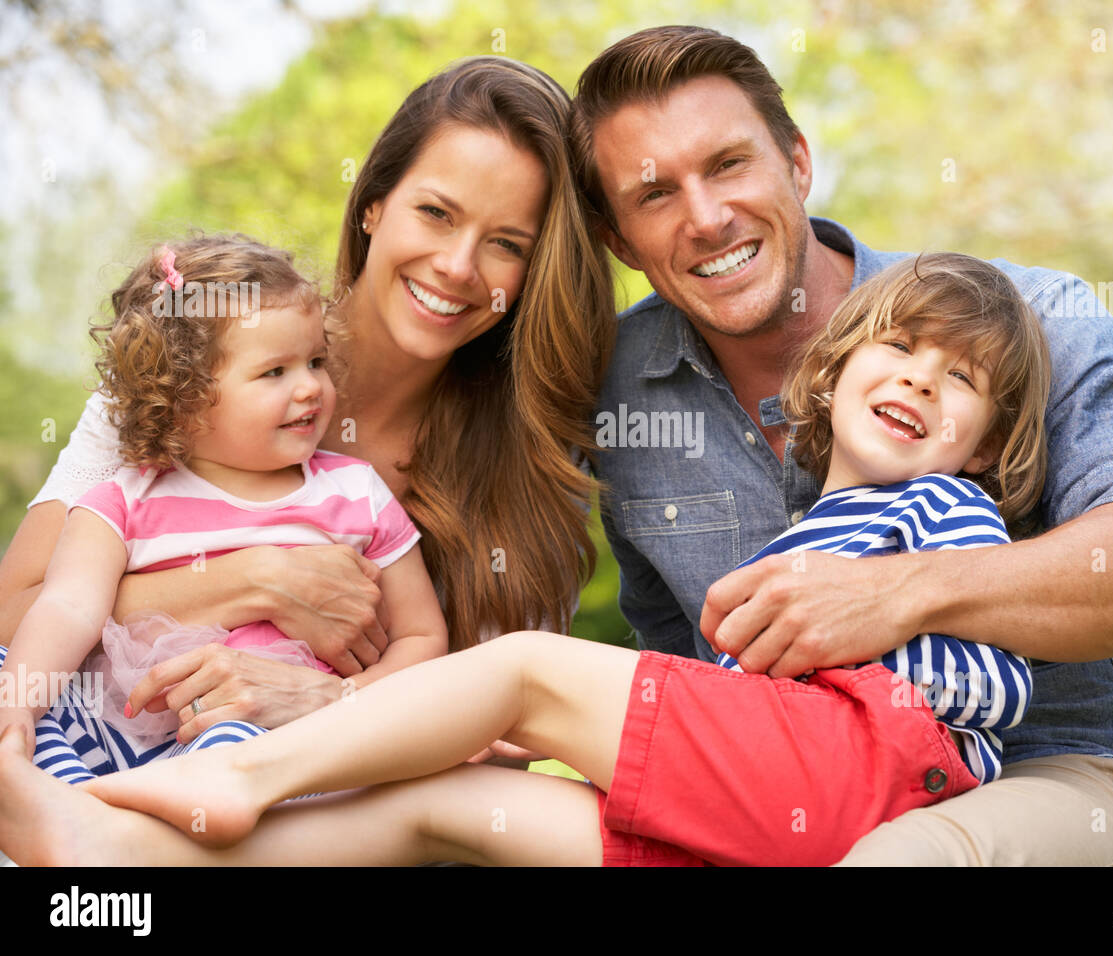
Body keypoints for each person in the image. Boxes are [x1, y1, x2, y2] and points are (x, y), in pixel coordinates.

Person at [0, 249, 1050, 867]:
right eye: (900, 351)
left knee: (521, 670)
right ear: (836, 369)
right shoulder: (820, 518)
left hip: (873, 773)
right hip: (767, 817)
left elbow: (990, 682)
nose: (919, 383)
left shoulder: (944, 506)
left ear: (988, 442)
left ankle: (237, 776)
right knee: (438, 808)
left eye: (958, 381)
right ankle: (123, 855)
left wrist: (893, 657)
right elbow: (745, 720)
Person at [568, 26, 1113, 865]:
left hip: (1048, 785)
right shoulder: (616, 394)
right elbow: (677, 668)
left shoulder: (1033, 319)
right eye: (654, 195)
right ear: (619, 240)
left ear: (796, 163)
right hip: (788, 804)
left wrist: (897, 592)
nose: (706, 215)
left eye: (729, 164)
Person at [0, 58, 614, 752]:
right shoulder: (184, 373)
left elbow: (510, 739)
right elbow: (16, 614)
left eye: (507, 244)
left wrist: (333, 699)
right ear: (374, 202)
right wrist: (257, 579)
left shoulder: (531, 455)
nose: (458, 266)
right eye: (436, 213)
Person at [0, 236, 447, 778]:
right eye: (274, 372)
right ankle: (73, 811)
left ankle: (124, 829)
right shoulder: (123, 499)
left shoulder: (356, 493)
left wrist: (347, 699)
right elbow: (67, 607)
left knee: (236, 746)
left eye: (316, 361)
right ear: (184, 399)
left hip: (264, 740)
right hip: (116, 724)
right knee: (11, 675)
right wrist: (19, 705)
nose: (311, 387)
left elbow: (422, 638)